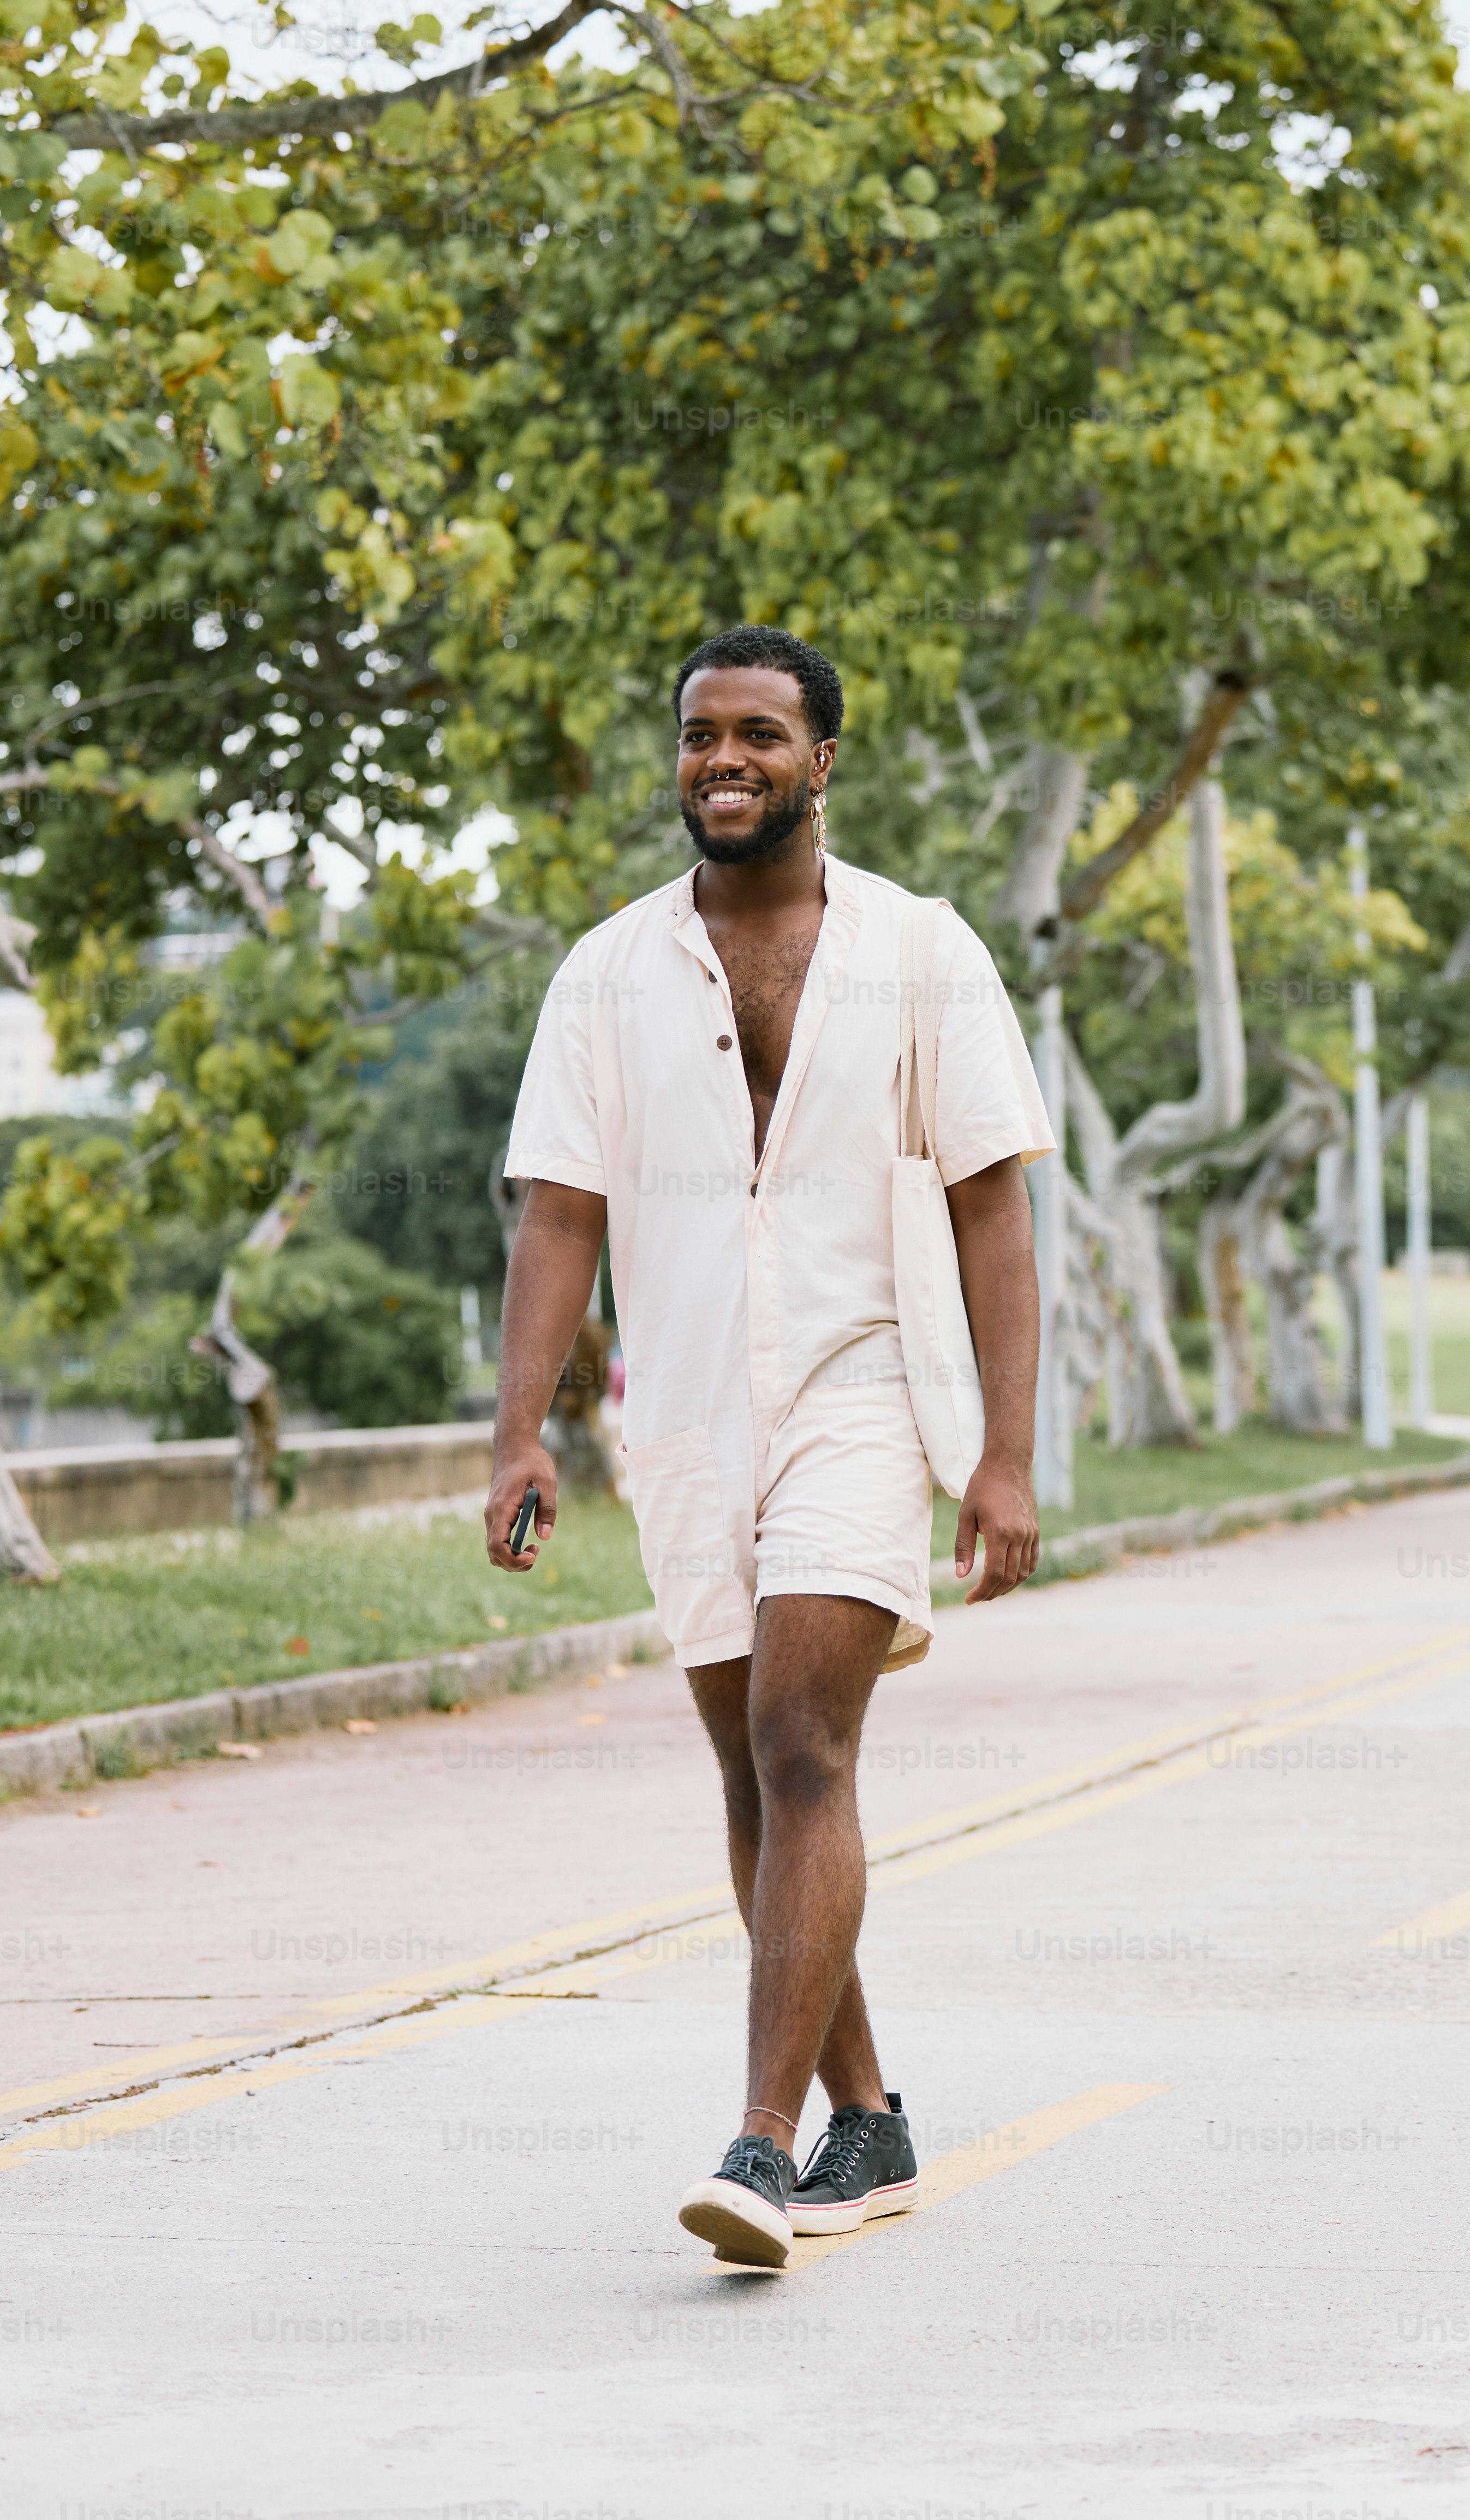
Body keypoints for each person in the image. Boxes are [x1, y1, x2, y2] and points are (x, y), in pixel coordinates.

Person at [485, 624, 1051, 2269]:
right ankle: (866, 2113)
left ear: (822, 759)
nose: (720, 760)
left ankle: (758, 2143)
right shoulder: (606, 973)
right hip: (677, 1409)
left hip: (864, 1385)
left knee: (808, 1742)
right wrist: (520, 1433)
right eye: (696, 736)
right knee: (753, 1770)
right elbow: (559, 1216)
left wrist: (1006, 1457)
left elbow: (993, 1205)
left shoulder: (922, 953)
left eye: (755, 734)